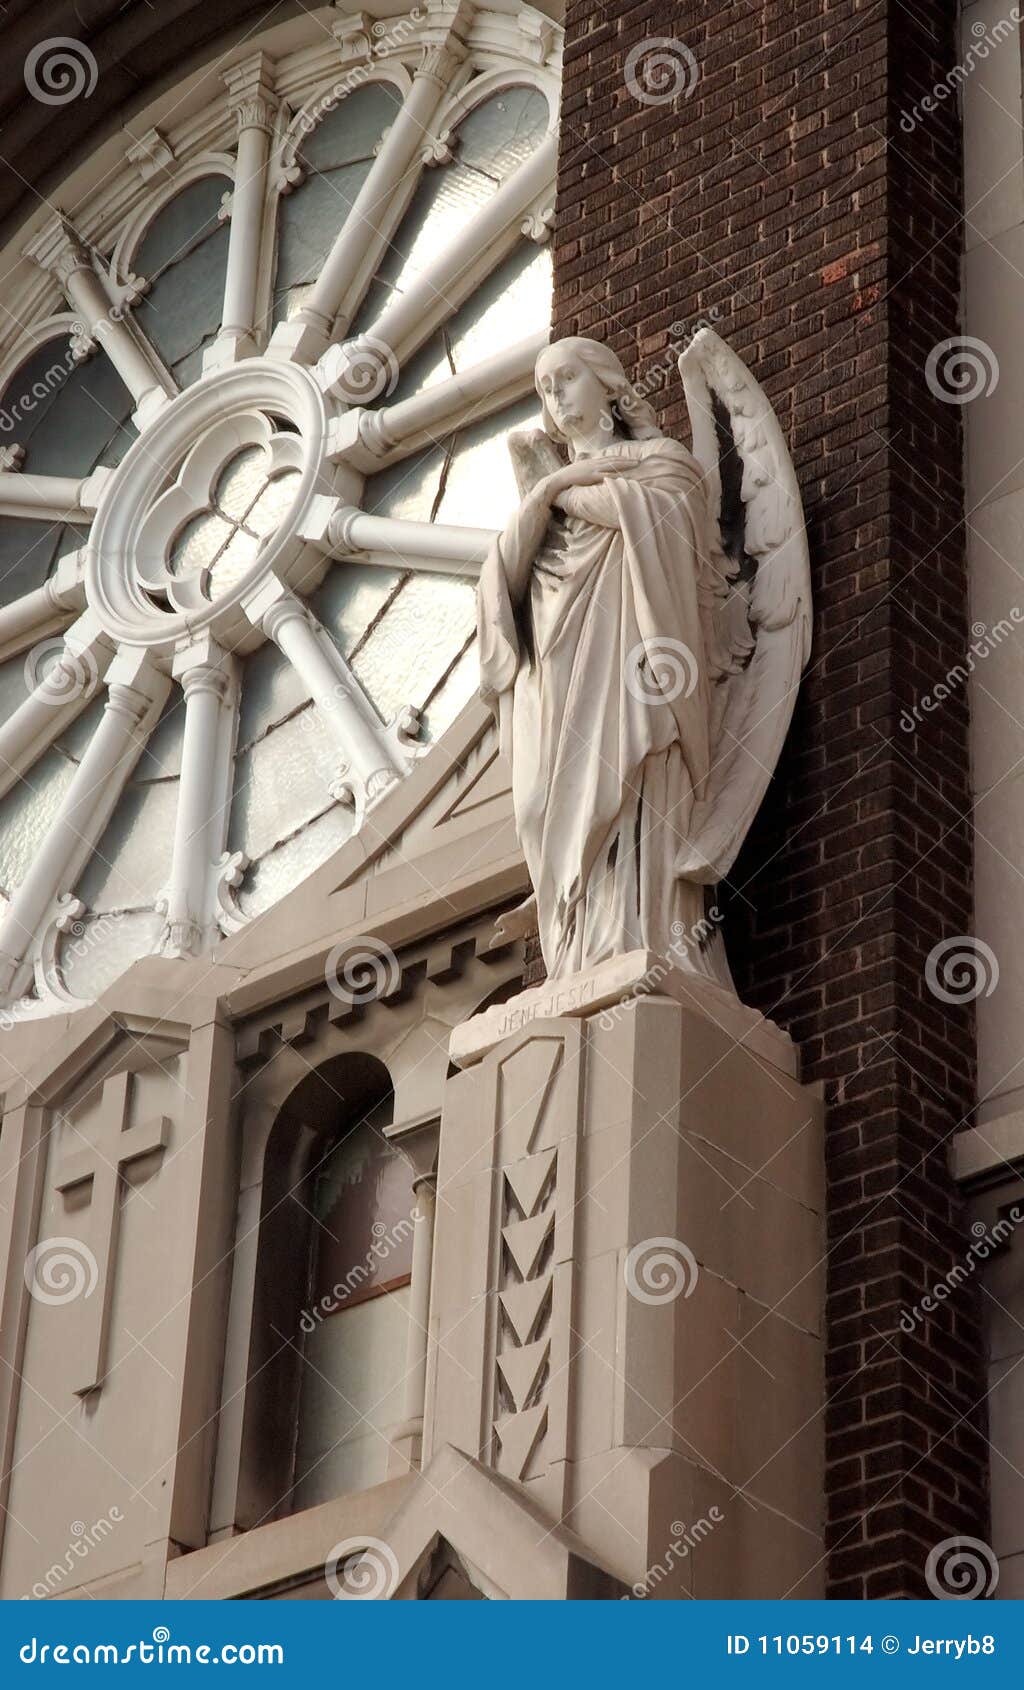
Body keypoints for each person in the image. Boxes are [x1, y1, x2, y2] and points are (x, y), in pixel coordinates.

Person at [477, 336, 715, 979]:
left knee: (629, 781)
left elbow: (664, 529)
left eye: (567, 378)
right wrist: (546, 491)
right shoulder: (545, 494)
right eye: (544, 388)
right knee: (539, 805)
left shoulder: (660, 460)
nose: (555, 396)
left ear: (608, 385)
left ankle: (641, 938)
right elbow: (503, 584)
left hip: (632, 660)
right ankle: (574, 952)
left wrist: (562, 487)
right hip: (554, 671)